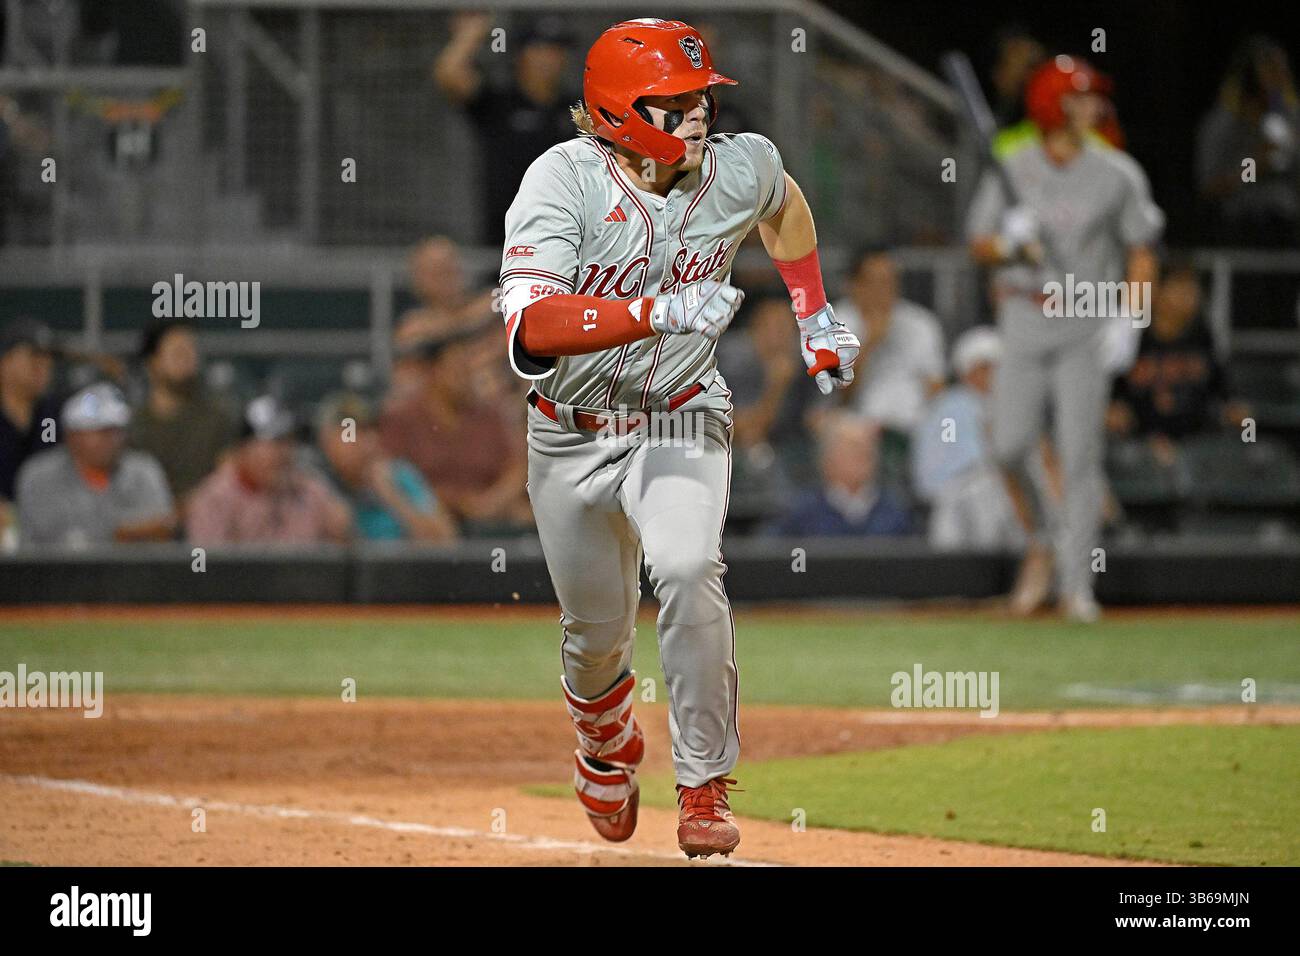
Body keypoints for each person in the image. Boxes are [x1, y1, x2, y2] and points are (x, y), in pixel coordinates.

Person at [497, 19, 860, 858]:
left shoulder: (739, 164)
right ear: (621, 111)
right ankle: (604, 738)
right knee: (596, 641)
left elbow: (785, 204)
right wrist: (652, 311)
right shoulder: (561, 181)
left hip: (682, 410)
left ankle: (701, 785)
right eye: (676, 101)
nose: (698, 113)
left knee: (692, 570)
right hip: (569, 431)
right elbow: (532, 330)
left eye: (702, 97)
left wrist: (814, 313)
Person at [967, 55, 1163, 623]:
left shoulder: (1118, 171)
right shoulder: (1014, 164)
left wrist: (1132, 318)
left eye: (1094, 98)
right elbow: (979, 242)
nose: (1093, 107)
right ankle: (1046, 535)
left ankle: (1078, 587)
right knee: (1008, 441)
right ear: (1053, 104)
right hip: (1025, 315)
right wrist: (1011, 244)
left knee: (1080, 456)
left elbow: (1142, 249)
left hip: (1087, 318)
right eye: (1079, 98)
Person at [434, 13, 577, 244]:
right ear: (521, 54)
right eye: (539, 48)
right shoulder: (499, 102)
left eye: (556, 49)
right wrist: (471, 34)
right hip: (504, 240)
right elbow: (449, 73)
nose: (548, 58)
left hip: (565, 236)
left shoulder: (576, 108)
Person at [379, 326, 531, 531]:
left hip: (491, 519)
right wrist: (445, 501)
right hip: (425, 523)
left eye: (469, 370)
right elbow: (389, 474)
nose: (465, 377)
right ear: (434, 371)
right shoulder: (403, 417)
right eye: (457, 369)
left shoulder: (490, 415)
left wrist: (489, 503)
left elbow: (517, 467)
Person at [1109, 262, 1250, 462]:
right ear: (1156, 289)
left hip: (1197, 447)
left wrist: (1246, 427)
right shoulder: (1131, 338)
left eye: (1192, 289)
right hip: (1137, 449)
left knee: (1252, 445)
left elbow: (1228, 396)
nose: (1188, 297)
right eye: (1179, 288)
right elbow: (1111, 402)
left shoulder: (1202, 337)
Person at [15, 382, 174, 547]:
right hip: (57, 571)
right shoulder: (39, 476)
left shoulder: (143, 471)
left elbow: (162, 530)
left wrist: (127, 532)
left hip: (131, 571)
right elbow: (44, 541)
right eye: (100, 431)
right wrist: (121, 532)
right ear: (72, 435)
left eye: (116, 430)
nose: (111, 440)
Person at [186, 395, 351, 545]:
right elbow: (205, 571)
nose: (285, 452)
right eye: (276, 442)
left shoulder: (307, 490)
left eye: (289, 441)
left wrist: (343, 533)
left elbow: (344, 549)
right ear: (245, 447)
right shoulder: (215, 498)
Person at [912, 326, 1022, 550]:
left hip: (1009, 495)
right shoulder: (948, 407)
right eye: (987, 367)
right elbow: (942, 472)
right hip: (953, 498)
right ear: (968, 370)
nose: (996, 374)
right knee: (982, 491)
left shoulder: (1012, 408)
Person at [1196, 36, 1298, 247]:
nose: (1281, 78)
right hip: (1243, 231)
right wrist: (1254, 164)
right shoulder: (1224, 124)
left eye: (1282, 70)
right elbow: (1210, 187)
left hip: (1289, 231)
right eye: (1272, 72)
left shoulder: (1289, 118)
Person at [128, 319, 239, 514]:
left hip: (205, 525)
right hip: (144, 529)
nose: (188, 360)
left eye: (192, 352)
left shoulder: (217, 419)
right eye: (178, 353)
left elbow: (228, 482)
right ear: (152, 362)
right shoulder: (131, 425)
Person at [316, 393, 456, 542]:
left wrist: (392, 495)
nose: (362, 443)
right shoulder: (316, 484)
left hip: (405, 562)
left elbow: (444, 540)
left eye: (366, 432)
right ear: (326, 441)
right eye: (349, 434)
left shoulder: (398, 475)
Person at [766, 412, 911, 537]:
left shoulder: (897, 512)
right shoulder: (801, 513)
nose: (865, 453)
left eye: (870, 447)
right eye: (854, 447)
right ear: (828, 458)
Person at [0, 319, 61, 527]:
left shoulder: (54, 415)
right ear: (5, 362)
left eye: (47, 359)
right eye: (34, 357)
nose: (43, 366)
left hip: (50, 525)